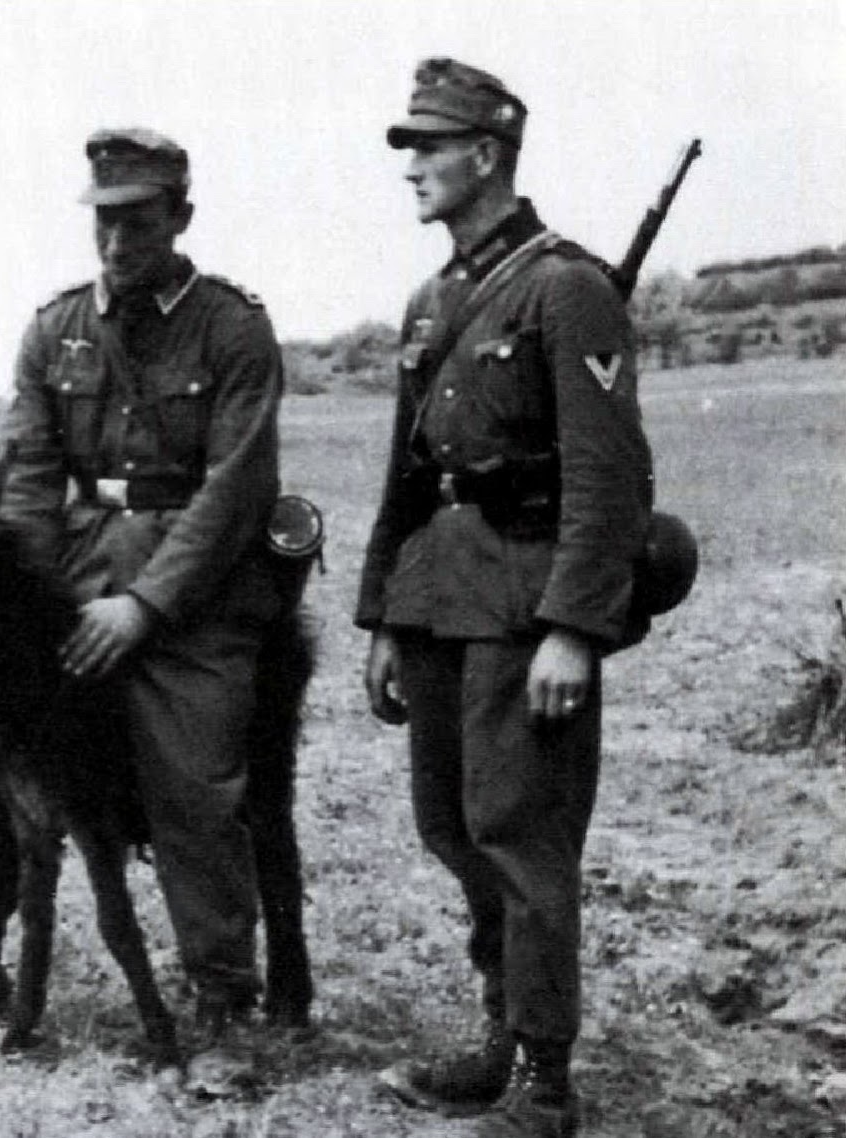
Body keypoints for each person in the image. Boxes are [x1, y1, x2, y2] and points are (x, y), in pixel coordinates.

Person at [0, 128, 288, 1084]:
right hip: (72, 574)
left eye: (137, 221)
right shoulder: (53, 330)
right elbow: (27, 485)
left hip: (196, 590)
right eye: (103, 221)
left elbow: (236, 489)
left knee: (188, 761)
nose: (116, 241)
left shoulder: (231, 329)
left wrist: (143, 609)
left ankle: (222, 1004)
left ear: (181, 217)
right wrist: (18, 614)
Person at [358, 59, 653, 1138]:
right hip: (438, 598)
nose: (412, 169)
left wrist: (575, 628)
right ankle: (499, 1037)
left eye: (427, 148)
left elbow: (609, 473)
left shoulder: (565, 286)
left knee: (520, 833)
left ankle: (544, 1080)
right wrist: (383, 616)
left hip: (525, 604)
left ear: (484, 155)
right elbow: (407, 474)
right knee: (450, 824)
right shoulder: (432, 300)